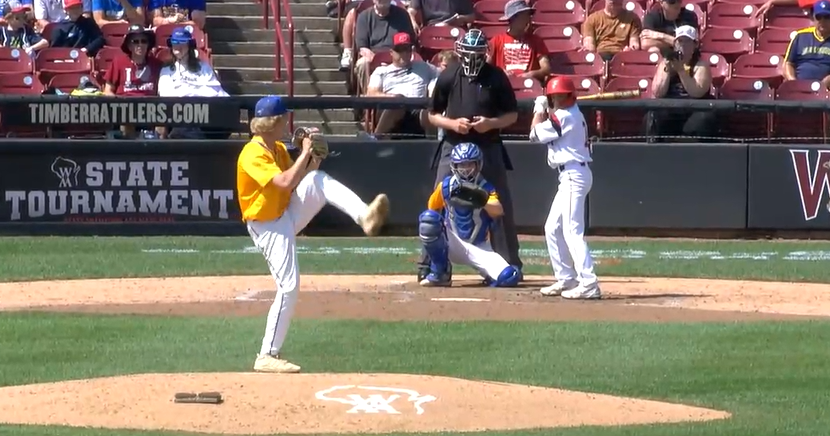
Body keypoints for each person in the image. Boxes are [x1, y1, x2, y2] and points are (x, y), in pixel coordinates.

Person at [237, 96, 390, 373]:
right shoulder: (252, 153)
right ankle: (266, 355)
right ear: (273, 122)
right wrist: (305, 151)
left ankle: (364, 216)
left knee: (317, 180)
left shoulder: (277, 147)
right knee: (288, 287)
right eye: (284, 118)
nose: (287, 122)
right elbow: (285, 182)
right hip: (267, 226)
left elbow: (298, 180)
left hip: (283, 214)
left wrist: (313, 159)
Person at [422, 29, 523, 282]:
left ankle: (509, 262)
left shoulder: (496, 76)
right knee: (437, 200)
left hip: (487, 144)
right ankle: (432, 265)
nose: (472, 58)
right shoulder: (449, 75)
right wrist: (453, 124)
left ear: (484, 53)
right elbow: (432, 114)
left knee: (500, 203)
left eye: (478, 53)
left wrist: (490, 123)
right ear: (460, 52)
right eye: (468, 53)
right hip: (454, 144)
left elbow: (512, 115)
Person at [530, 76, 600, 300]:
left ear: (570, 96)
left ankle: (588, 283)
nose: (558, 100)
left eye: (561, 96)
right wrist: (548, 108)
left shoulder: (566, 116)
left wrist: (539, 109)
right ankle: (566, 278)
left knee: (572, 231)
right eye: (555, 97)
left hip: (573, 175)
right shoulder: (570, 113)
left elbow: (534, 134)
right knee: (552, 228)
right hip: (571, 174)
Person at [418, 142, 521, 287]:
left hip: (478, 246)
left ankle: (489, 275)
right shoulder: (446, 186)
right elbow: (432, 209)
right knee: (428, 220)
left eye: (470, 164)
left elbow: (498, 210)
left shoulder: (485, 187)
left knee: (509, 276)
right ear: (454, 166)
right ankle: (440, 271)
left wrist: (479, 199)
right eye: (462, 165)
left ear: (478, 165)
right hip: (452, 242)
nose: (466, 169)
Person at [646, 25, 717, 140]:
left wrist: (681, 71)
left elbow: (697, 92)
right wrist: (667, 71)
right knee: (653, 116)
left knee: (704, 119)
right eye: (679, 41)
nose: (682, 45)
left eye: (687, 41)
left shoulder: (701, 66)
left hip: (693, 109)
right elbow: (658, 92)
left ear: (695, 45)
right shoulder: (666, 64)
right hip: (672, 109)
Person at [364, 32, 438, 139]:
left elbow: (441, 77)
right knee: (398, 102)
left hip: (417, 111)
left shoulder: (425, 67)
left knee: (431, 114)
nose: (404, 54)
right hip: (390, 111)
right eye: (399, 50)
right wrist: (393, 98)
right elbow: (371, 94)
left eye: (407, 50)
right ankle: (376, 139)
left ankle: (435, 146)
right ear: (391, 52)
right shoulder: (382, 71)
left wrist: (432, 90)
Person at [158, 27, 228, 139]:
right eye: (175, 42)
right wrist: (196, 90)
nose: (178, 46)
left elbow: (214, 92)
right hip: (179, 115)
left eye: (182, 42)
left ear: (189, 45)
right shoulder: (166, 70)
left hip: (204, 114)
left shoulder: (203, 67)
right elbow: (167, 95)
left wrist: (185, 90)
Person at [353, 0, 415, 94]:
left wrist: (394, 60)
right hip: (374, 56)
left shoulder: (402, 15)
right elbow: (362, 47)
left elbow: (409, 41)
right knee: (362, 63)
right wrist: (378, 59)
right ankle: (370, 97)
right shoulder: (364, 17)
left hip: (399, 54)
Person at [487, 0, 550, 81]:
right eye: (525, 15)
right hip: (504, 85)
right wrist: (501, 72)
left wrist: (532, 74)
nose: (529, 19)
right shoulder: (496, 41)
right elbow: (486, 68)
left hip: (529, 85)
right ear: (514, 18)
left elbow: (546, 68)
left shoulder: (537, 41)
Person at [784, 0, 830, 85]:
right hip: (798, 85)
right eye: (819, 17)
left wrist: (825, 84)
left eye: (827, 17)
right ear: (813, 18)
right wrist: (793, 82)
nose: (822, 21)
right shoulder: (800, 36)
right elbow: (788, 64)